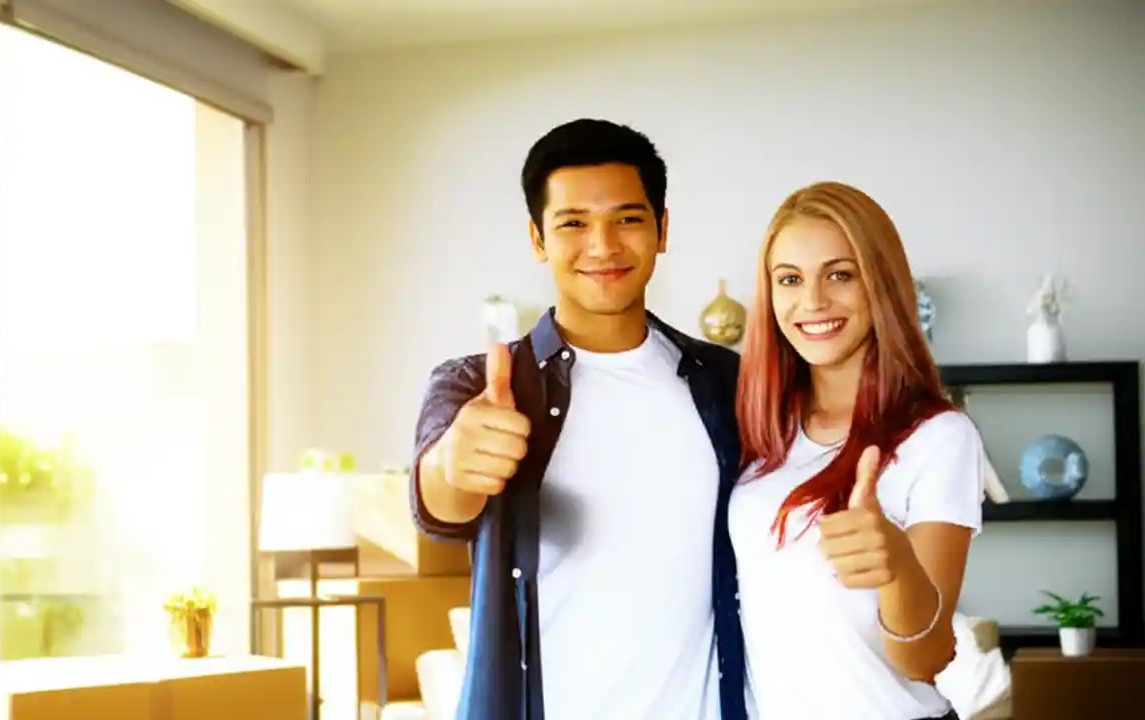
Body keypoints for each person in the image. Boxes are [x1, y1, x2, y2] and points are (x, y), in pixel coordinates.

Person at [408, 118, 747, 720]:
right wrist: (456, 464)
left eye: (628, 218)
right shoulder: (475, 384)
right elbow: (439, 503)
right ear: (537, 238)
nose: (603, 246)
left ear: (662, 229)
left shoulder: (725, 380)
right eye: (573, 224)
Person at [731, 181, 986, 719]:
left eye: (840, 274)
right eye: (790, 279)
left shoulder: (939, 436)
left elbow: (926, 658)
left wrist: (897, 565)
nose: (813, 301)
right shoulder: (757, 434)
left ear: (881, 284)